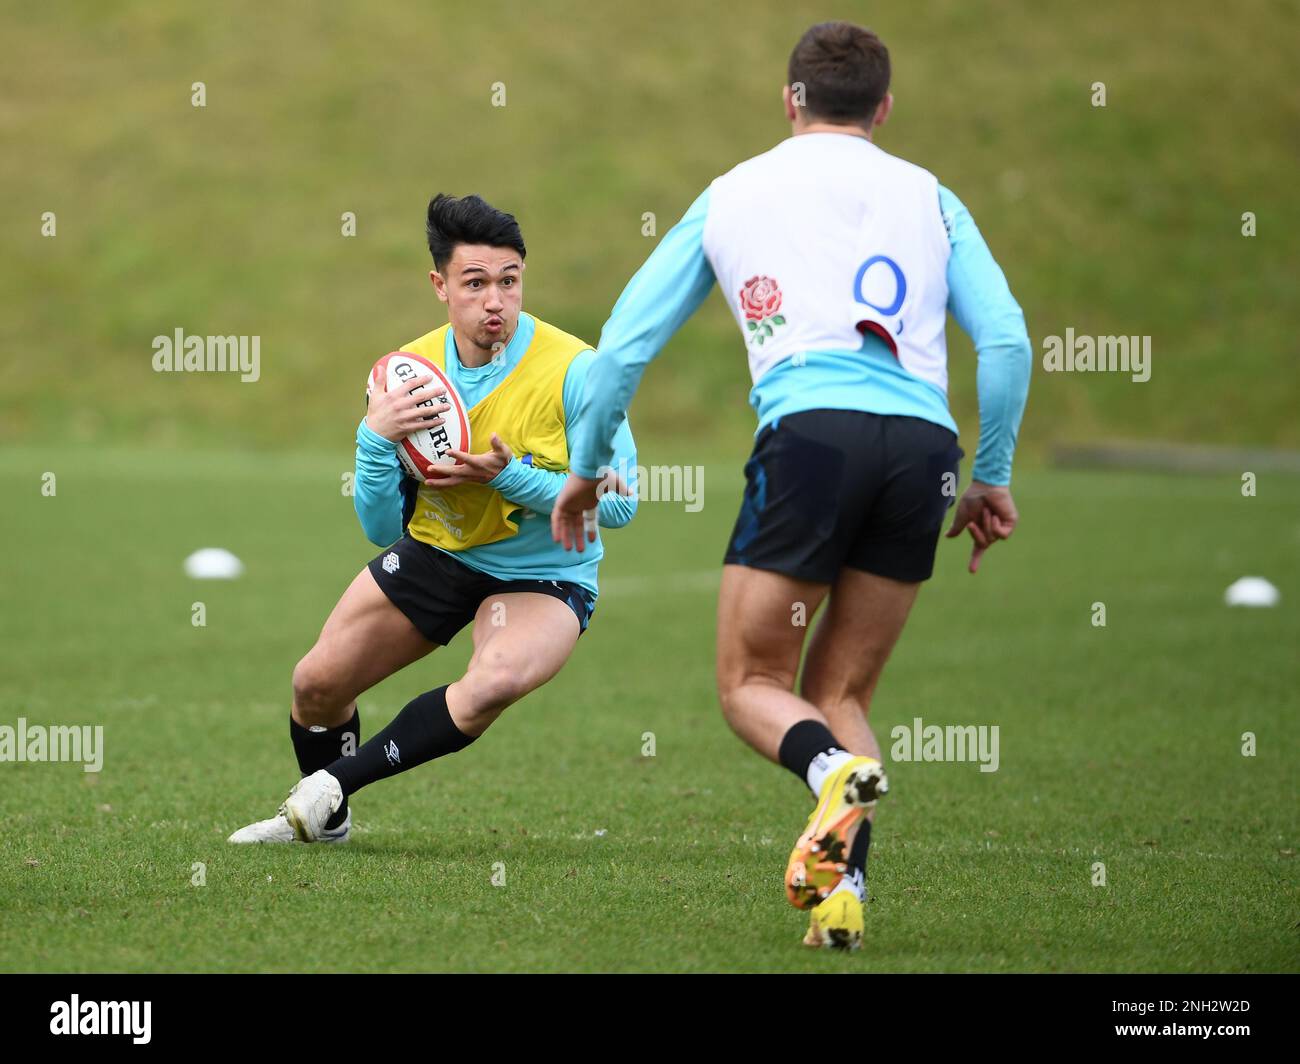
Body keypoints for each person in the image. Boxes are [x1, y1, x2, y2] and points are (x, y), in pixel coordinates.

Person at [552, 22, 1032, 950]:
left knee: (752, 683)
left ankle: (830, 780)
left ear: (791, 100)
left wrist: (585, 466)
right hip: (923, 450)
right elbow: (1006, 341)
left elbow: (620, 349)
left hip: (811, 439)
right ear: (883, 109)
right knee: (843, 691)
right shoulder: (931, 196)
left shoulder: (737, 190)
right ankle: (842, 897)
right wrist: (992, 476)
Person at [230, 193, 637, 844]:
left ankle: (333, 786)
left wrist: (506, 476)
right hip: (439, 553)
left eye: (509, 281)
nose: (495, 301)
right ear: (440, 286)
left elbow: (618, 503)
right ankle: (329, 824)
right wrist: (373, 439)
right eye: (475, 284)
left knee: (491, 683)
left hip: (542, 573)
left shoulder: (577, 372)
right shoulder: (407, 376)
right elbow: (379, 527)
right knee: (315, 685)